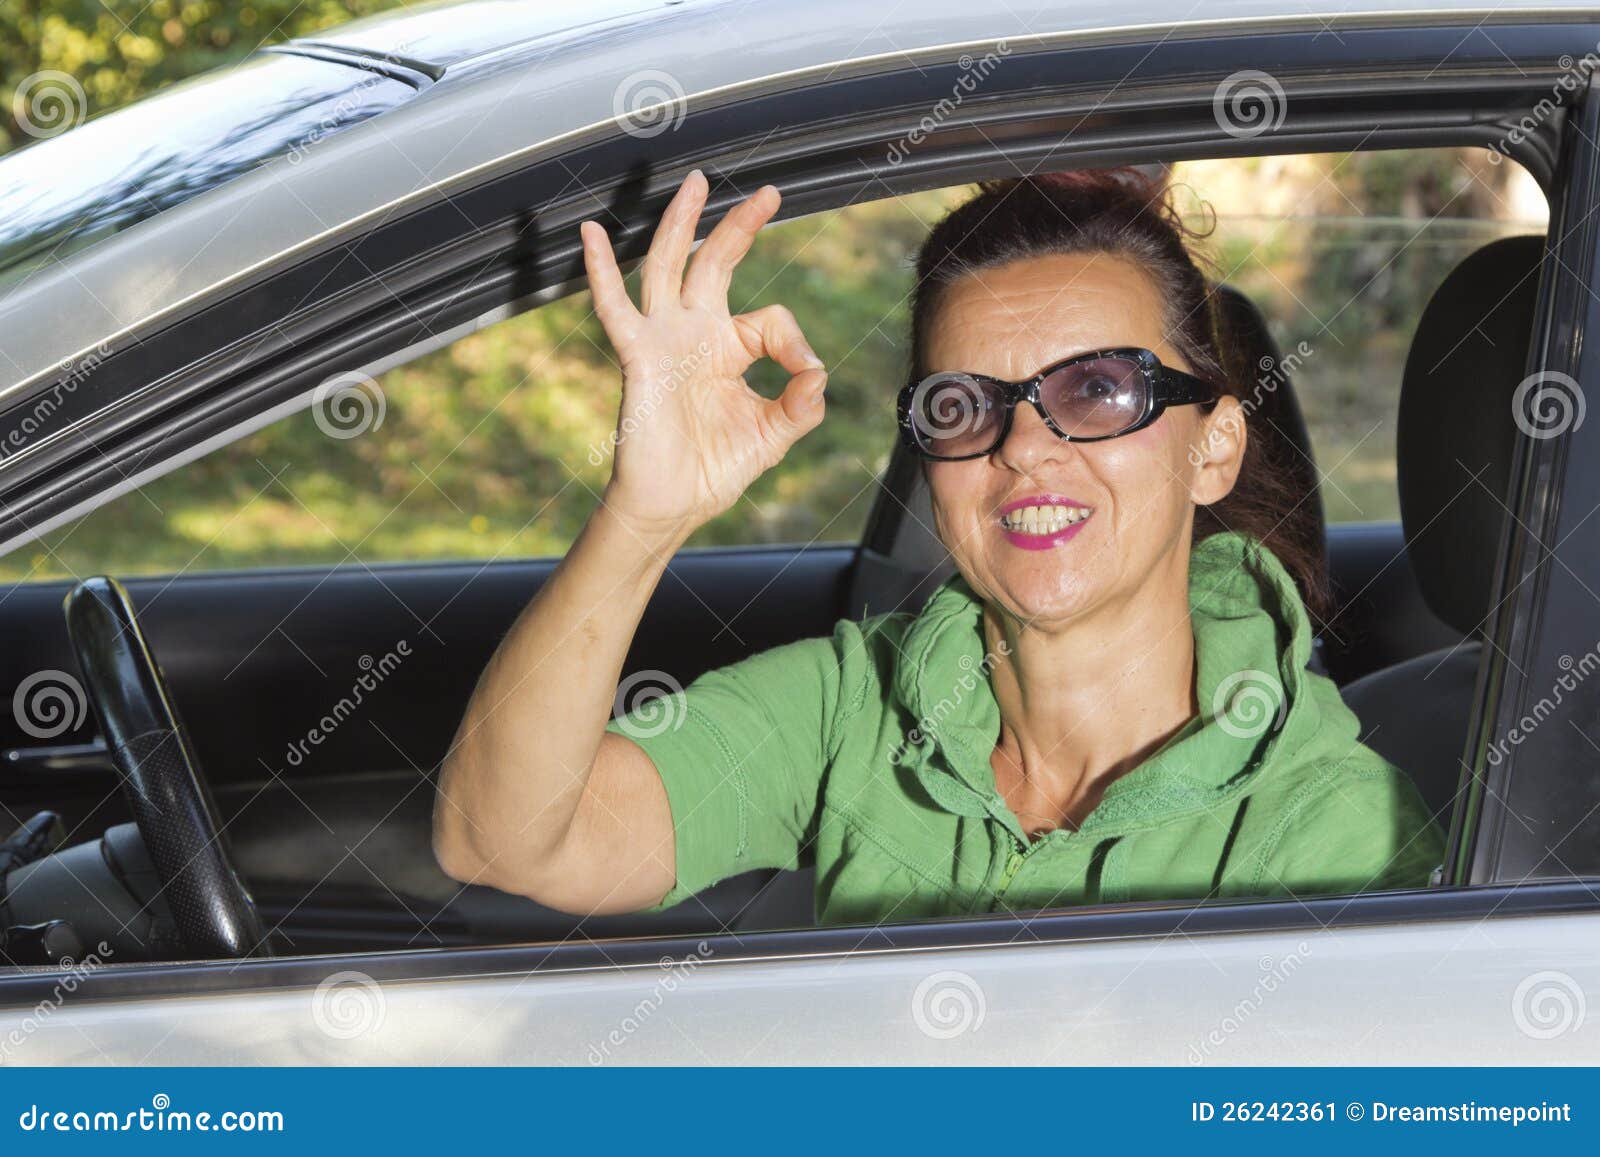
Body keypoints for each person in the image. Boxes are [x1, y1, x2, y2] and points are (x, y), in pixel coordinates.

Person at [432, 166, 1444, 926]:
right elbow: (501, 838)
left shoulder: (1335, 828)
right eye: (966, 405)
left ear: (1212, 446)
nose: (1025, 447)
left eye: (1095, 388)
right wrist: (643, 514)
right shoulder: (859, 702)